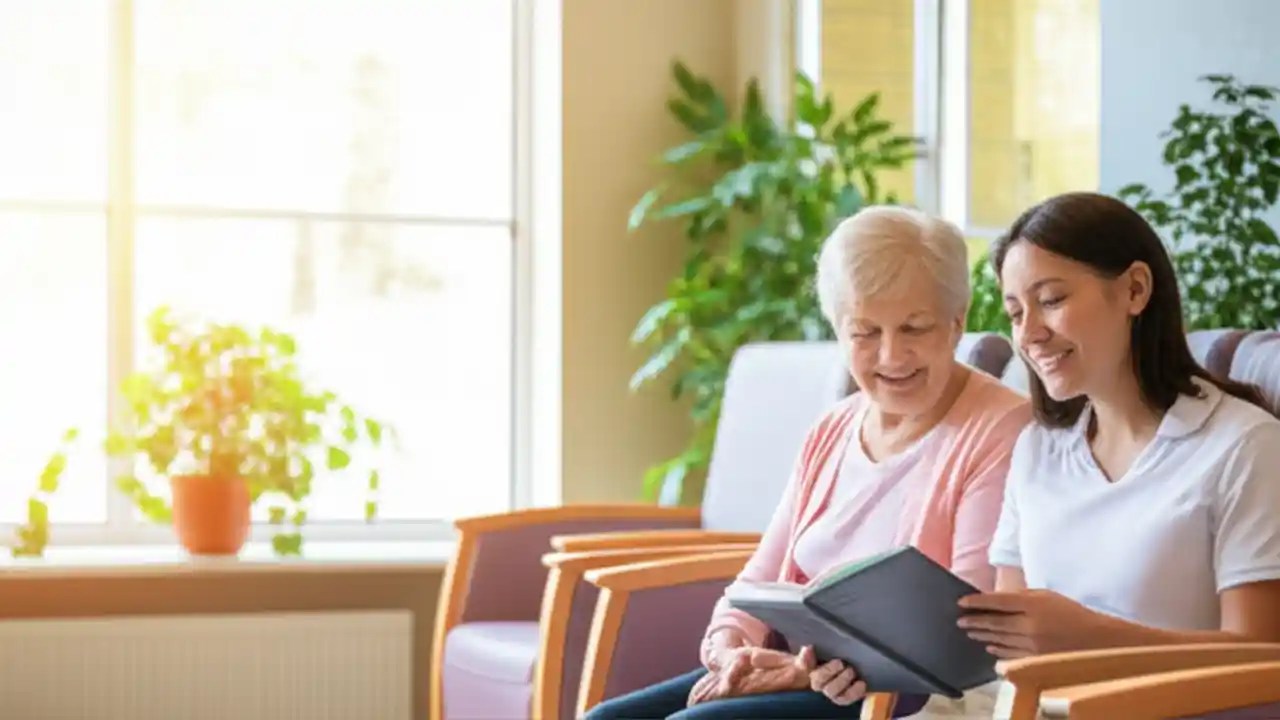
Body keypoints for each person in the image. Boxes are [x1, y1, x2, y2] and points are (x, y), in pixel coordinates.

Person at [584, 206, 1031, 720]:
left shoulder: (1000, 429)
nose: (891, 356)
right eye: (865, 333)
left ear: (957, 322)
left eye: (914, 328)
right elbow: (760, 576)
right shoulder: (833, 428)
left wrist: (808, 668)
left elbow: (967, 622)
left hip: (899, 690)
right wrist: (730, 649)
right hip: (795, 669)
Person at [958, 192, 1280, 660]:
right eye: (1015, 313)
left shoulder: (1245, 446)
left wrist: (1092, 639)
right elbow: (1012, 646)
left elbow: (1264, 656)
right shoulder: (1037, 448)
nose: (1028, 334)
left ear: (1135, 290)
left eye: (1050, 300)